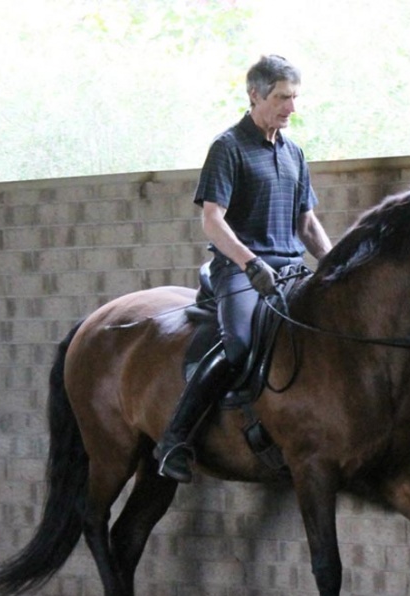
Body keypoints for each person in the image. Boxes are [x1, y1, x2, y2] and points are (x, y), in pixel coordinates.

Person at [154, 55, 332, 483]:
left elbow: (306, 223)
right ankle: (175, 438)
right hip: (241, 269)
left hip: (290, 267)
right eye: (282, 98)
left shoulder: (294, 153)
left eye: (294, 98)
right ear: (255, 95)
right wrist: (249, 263)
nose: (291, 108)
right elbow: (212, 219)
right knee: (239, 345)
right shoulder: (228, 147)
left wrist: (335, 265)